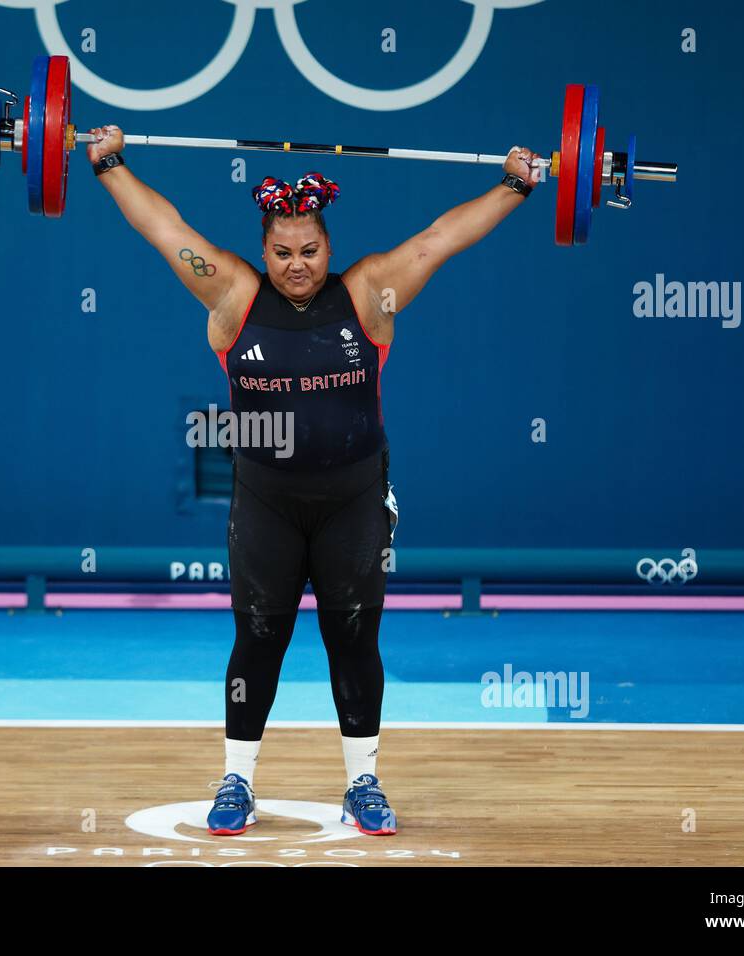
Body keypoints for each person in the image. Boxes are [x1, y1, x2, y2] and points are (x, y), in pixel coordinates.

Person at [88, 126, 540, 835]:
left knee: (354, 637)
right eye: (282, 253)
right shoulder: (233, 296)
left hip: (352, 503)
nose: (296, 266)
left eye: (309, 251)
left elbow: (441, 239)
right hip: (266, 503)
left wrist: (514, 185)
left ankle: (364, 782)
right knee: (257, 637)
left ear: (328, 248)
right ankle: (236, 779)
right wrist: (110, 163)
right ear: (263, 249)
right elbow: (162, 228)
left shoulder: (370, 294)